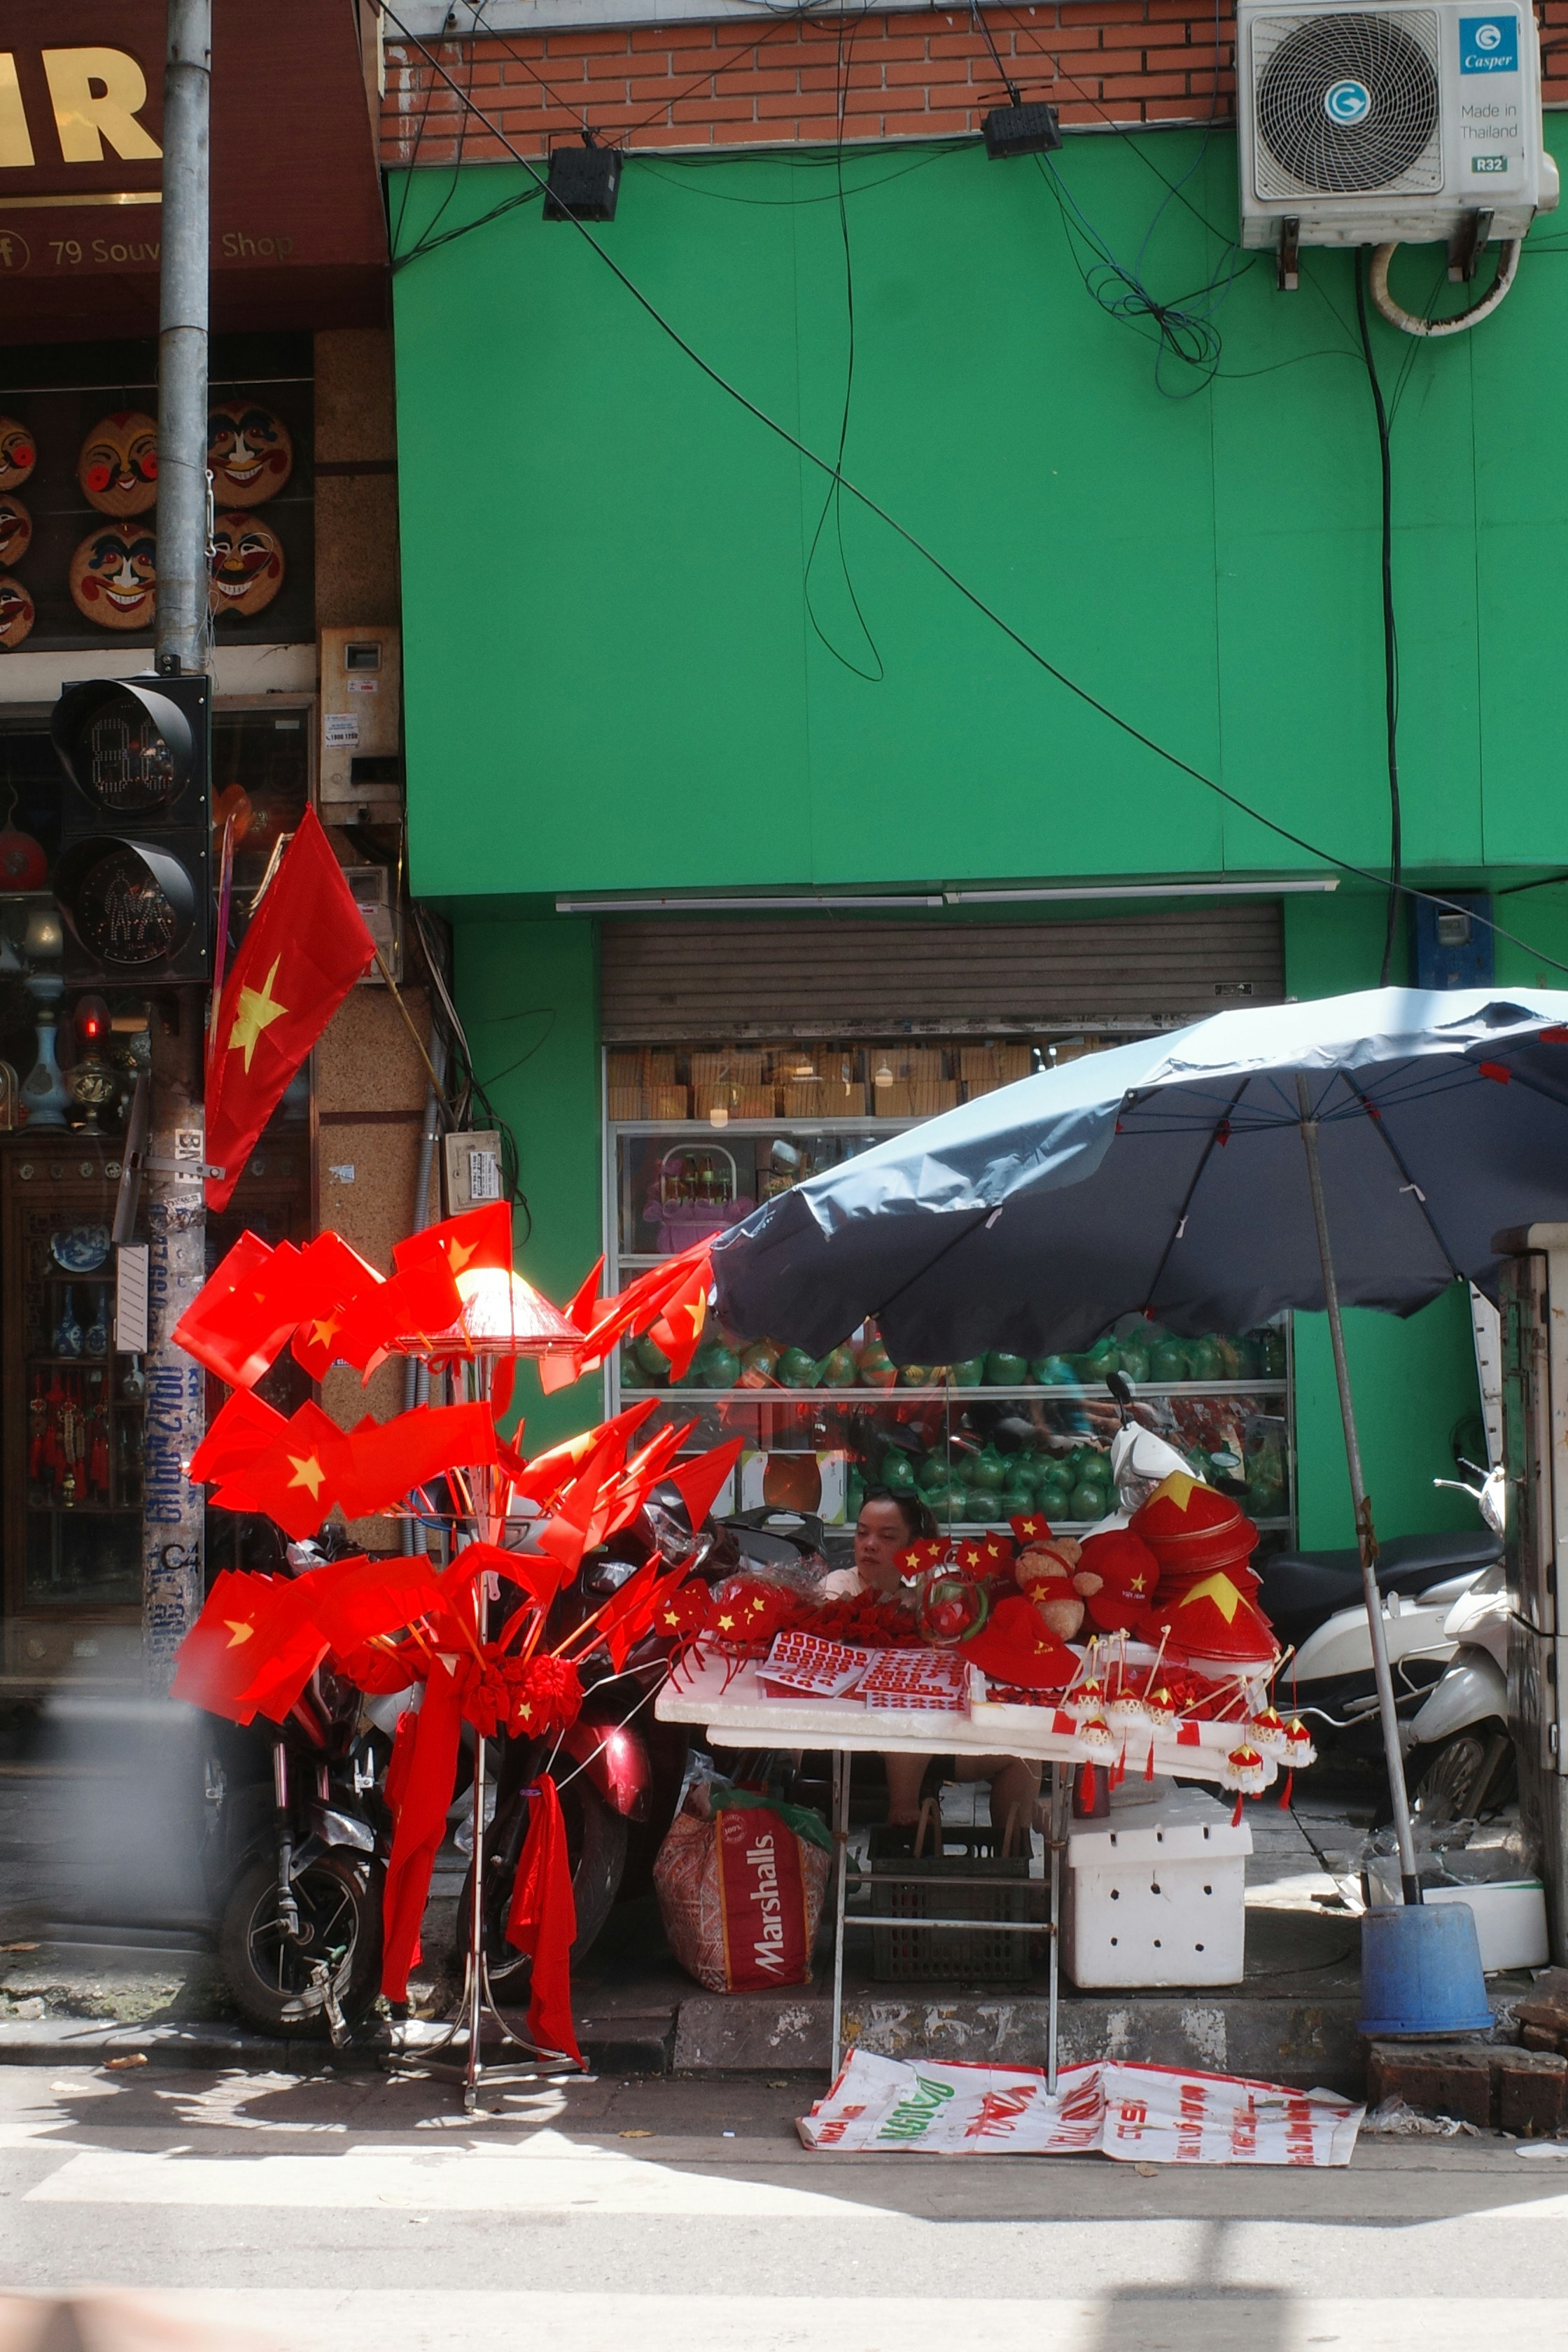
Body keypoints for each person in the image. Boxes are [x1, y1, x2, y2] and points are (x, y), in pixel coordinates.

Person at [850, 1488, 1043, 1840]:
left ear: (915, 1546)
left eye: (886, 1536)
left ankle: (1011, 1857)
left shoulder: (937, 1594)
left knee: (1024, 1758)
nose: (870, 1544)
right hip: (864, 1740)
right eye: (862, 1533)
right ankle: (903, 1808)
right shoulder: (838, 1590)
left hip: (939, 1737)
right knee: (908, 1715)